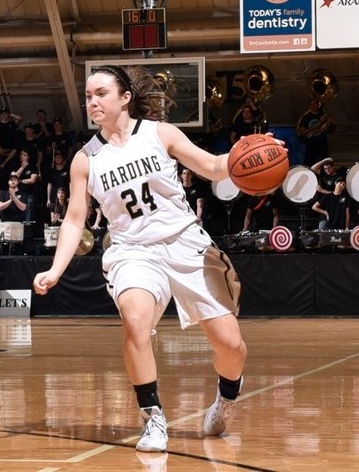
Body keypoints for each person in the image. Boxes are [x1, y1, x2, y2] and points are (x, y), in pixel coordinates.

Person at [33, 65, 247, 453]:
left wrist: (246, 155)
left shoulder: (159, 134)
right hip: (133, 250)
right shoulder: (86, 159)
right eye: (88, 96)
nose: (92, 102)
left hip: (184, 243)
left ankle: (227, 397)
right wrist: (55, 268)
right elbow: (74, 218)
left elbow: (213, 167)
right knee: (135, 322)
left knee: (231, 345)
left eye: (100, 93)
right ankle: (153, 417)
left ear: (125, 97)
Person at [297, 99, 334, 166]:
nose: (313, 106)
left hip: (322, 144)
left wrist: (328, 124)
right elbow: (303, 132)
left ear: (318, 105)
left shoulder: (324, 115)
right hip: (311, 144)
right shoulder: (306, 117)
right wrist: (319, 123)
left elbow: (330, 130)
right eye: (311, 104)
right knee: (310, 165)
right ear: (309, 106)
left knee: (324, 165)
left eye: (315, 104)